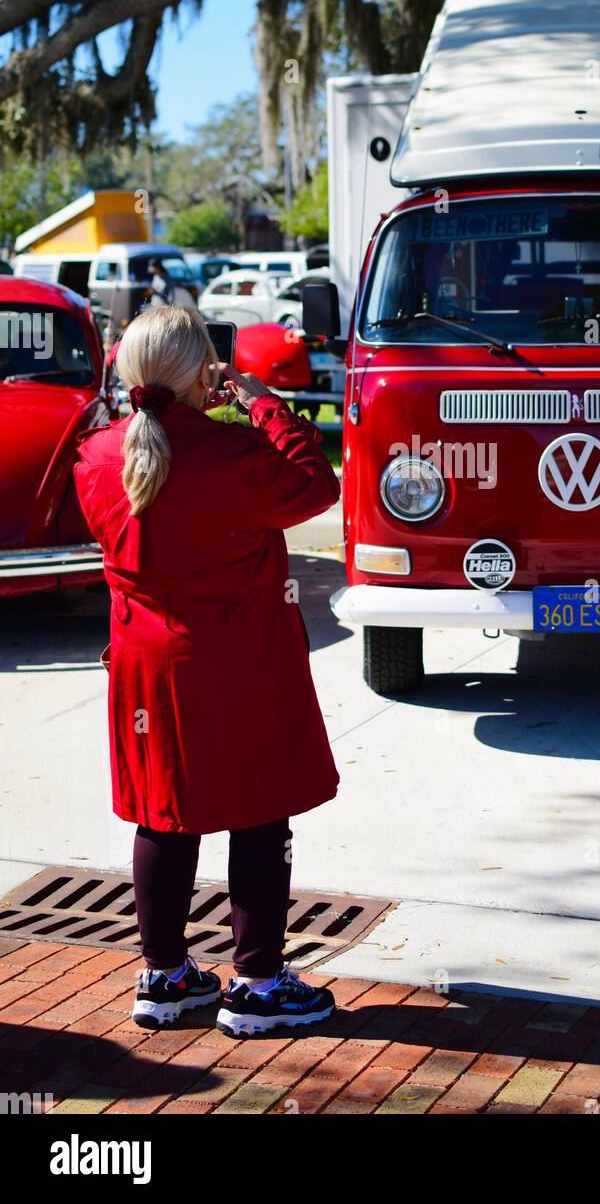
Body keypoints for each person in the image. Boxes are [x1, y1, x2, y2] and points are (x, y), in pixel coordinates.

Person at [73, 304, 341, 1039]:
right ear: (204, 375)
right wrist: (258, 402)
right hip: (238, 662)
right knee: (258, 813)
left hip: (143, 666)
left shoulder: (98, 455)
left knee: (163, 812)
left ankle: (163, 977)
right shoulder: (235, 458)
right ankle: (256, 984)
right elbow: (317, 485)